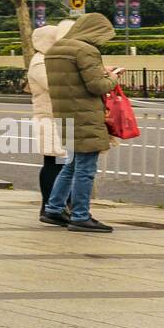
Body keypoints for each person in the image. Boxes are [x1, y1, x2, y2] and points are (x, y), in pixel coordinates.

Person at [41, 13, 121, 233]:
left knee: (71, 165)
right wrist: (114, 77)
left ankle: (54, 208)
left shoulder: (55, 49)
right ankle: (80, 216)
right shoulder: (86, 50)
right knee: (85, 169)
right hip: (86, 116)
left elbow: (74, 80)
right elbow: (97, 86)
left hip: (66, 114)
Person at [27, 20, 73, 216]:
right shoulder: (39, 62)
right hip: (48, 118)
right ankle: (48, 206)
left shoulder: (50, 60)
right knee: (53, 163)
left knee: (63, 163)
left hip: (58, 117)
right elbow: (54, 85)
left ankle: (60, 204)